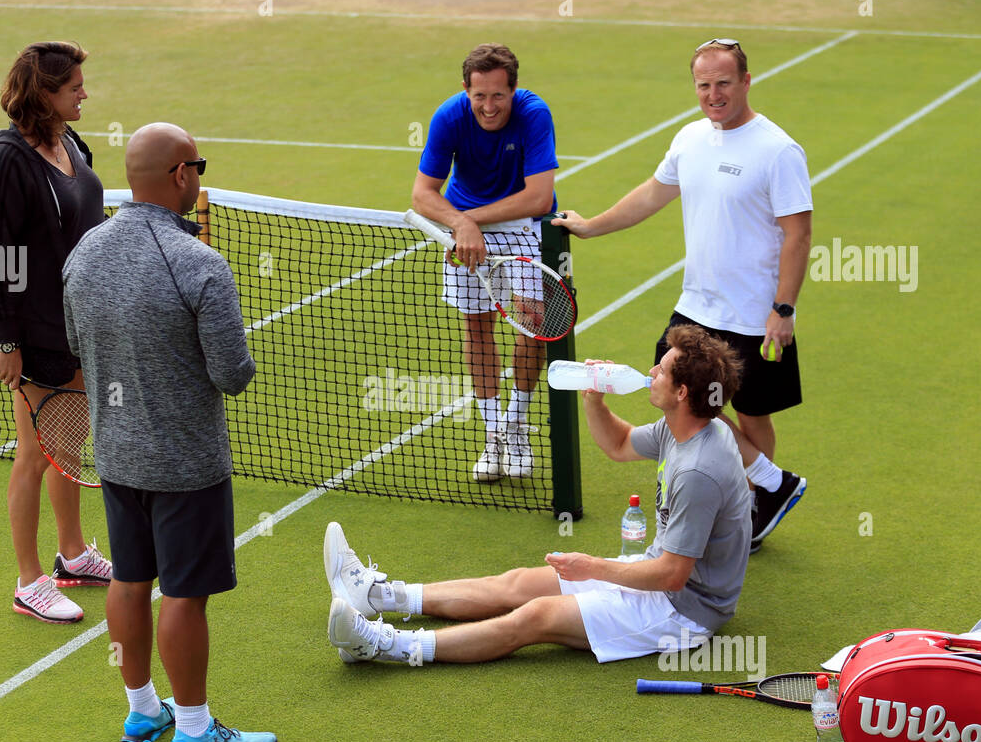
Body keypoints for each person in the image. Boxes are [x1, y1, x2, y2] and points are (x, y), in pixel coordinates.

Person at [325, 325, 751, 667]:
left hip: (683, 610)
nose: (652, 371)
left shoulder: (698, 471)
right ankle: (378, 596)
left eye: (662, 370)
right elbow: (619, 444)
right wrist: (594, 398)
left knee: (536, 616)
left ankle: (381, 645)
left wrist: (593, 568)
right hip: (659, 576)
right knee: (520, 583)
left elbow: (671, 576)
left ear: (681, 393)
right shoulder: (688, 426)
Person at [63, 122, 276, 742]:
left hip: (116, 458)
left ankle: (141, 711)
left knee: (130, 580)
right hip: (186, 464)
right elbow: (232, 374)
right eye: (197, 166)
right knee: (184, 594)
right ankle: (194, 728)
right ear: (182, 175)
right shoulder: (200, 264)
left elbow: (75, 344)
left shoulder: (84, 253)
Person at [553, 38, 813, 553]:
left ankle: (755, 500)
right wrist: (592, 226)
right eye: (703, 85)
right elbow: (653, 193)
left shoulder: (778, 151)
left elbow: (798, 234)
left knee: (751, 414)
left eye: (723, 83)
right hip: (695, 308)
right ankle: (773, 483)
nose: (713, 94)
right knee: (687, 402)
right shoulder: (691, 138)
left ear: (746, 81)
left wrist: (782, 309)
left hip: (754, 315)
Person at [0, 40, 113, 624]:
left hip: (79, 323)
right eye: (74, 87)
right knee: (35, 454)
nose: (85, 94)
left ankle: (73, 555)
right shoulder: (7, 161)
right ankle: (29, 582)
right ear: (45, 93)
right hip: (36, 331)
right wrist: (7, 341)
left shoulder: (69, 141)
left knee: (67, 447)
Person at [411, 43, 558, 482]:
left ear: (514, 89)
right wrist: (460, 223)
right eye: (479, 96)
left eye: (498, 95)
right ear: (466, 89)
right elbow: (421, 194)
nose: (489, 106)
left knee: (533, 327)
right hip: (466, 227)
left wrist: (468, 221)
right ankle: (494, 434)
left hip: (523, 225)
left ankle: (516, 425)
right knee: (477, 328)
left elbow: (539, 197)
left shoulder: (534, 114)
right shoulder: (448, 116)